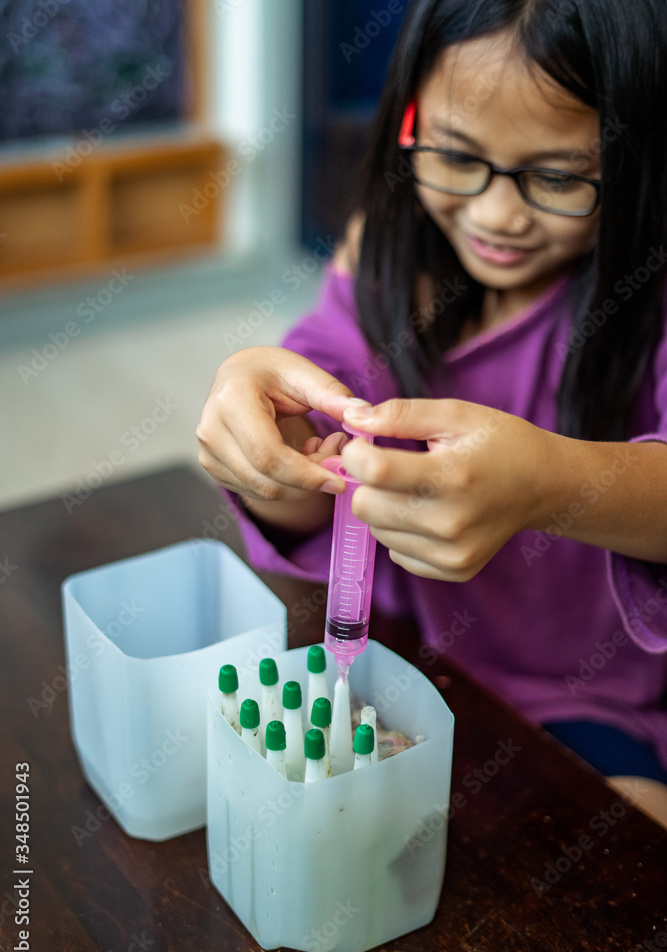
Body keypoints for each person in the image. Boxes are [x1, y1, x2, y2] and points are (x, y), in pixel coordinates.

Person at [198, 0, 667, 826]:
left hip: (589, 701)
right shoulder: (379, 255)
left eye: (558, 176)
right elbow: (313, 468)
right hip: (402, 664)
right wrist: (264, 446)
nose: (493, 217)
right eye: (454, 156)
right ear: (407, 121)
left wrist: (550, 485)